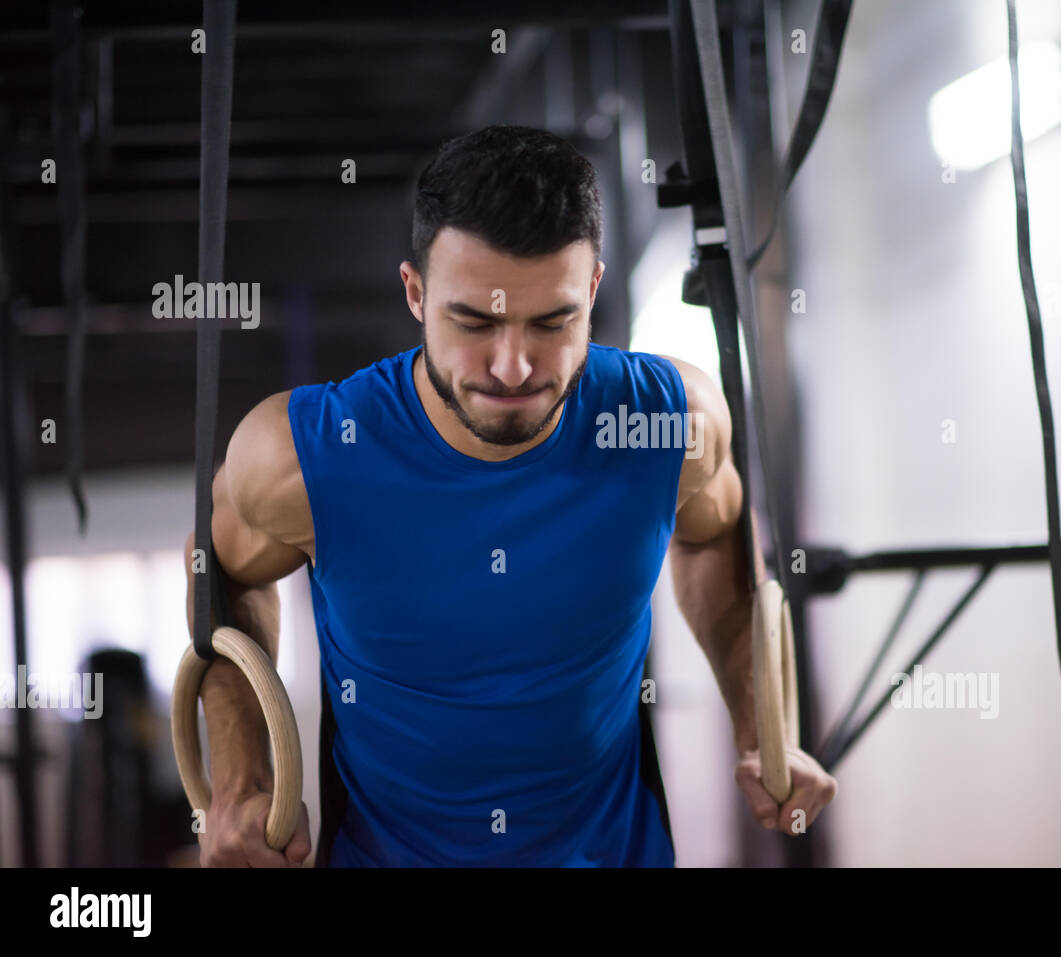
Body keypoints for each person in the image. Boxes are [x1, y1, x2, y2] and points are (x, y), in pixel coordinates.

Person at [184, 124, 836, 867]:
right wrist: (241, 779)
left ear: (592, 290)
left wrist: (761, 727)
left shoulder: (664, 424)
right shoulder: (306, 457)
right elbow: (219, 569)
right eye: (474, 321)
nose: (514, 364)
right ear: (415, 291)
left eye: (552, 322)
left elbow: (713, 533)